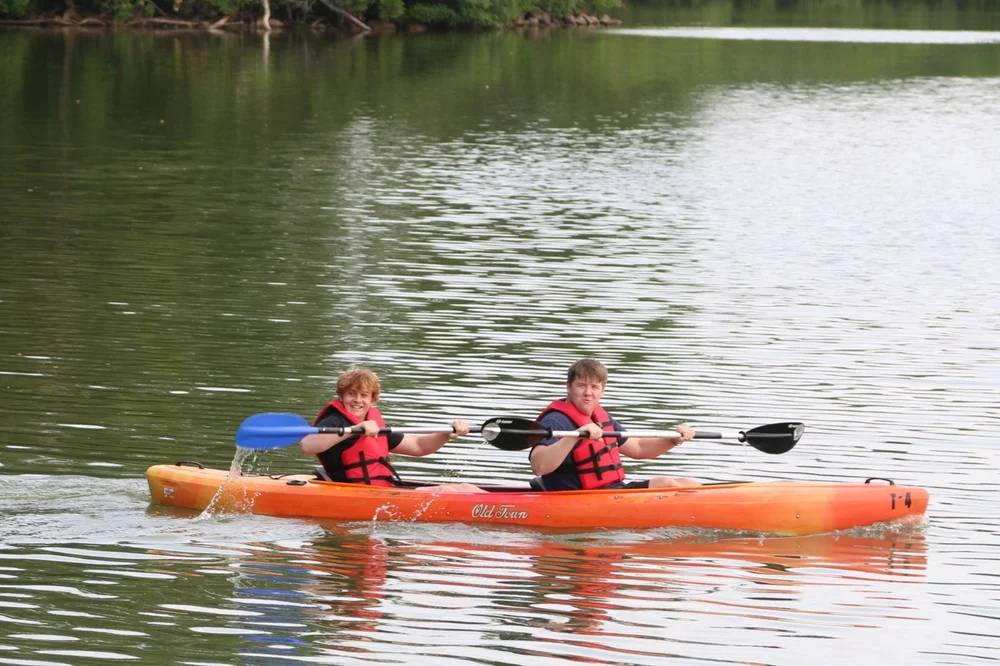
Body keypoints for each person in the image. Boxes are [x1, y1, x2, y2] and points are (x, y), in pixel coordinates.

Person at [300, 367, 484, 493]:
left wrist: (446, 434)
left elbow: (419, 446)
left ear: (372, 399)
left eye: (364, 395)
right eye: (351, 394)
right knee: (445, 490)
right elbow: (307, 445)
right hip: (357, 493)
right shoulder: (335, 421)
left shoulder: (374, 423)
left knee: (465, 487)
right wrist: (354, 430)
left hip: (382, 490)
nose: (357, 400)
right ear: (341, 396)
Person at [529, 358, 700, 491]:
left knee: (689, 483)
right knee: (664, 483)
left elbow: (639, 447)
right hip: (579, 498)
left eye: (594, 387)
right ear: (568, 387)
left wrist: (673, 440)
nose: (588, 393)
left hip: (611, 493)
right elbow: (539, 466)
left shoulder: (600, 417)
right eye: (581, 385)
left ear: (603, 390)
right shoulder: (556, 420)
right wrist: (575, 436)